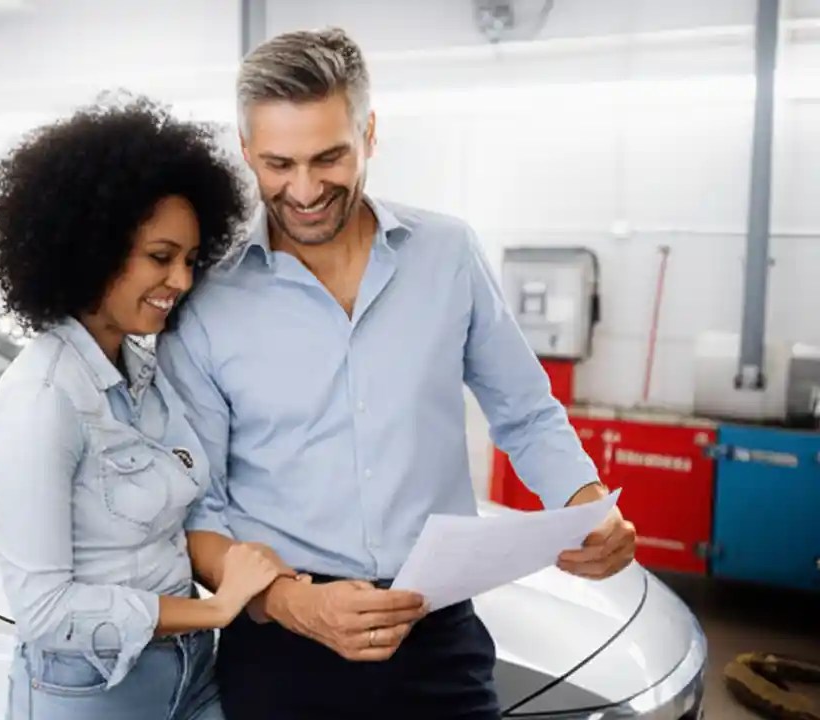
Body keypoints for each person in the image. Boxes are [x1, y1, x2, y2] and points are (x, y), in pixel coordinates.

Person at [156, 28, 640, 719]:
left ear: (370, 133)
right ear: (245, 152)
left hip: (437, 633)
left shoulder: (447, 254)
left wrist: (588, 503)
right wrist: (292, 602)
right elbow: (200, 508)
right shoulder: (207, 299)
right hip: (281, 647)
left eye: (329, 157)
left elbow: (526, 412)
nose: (303, 189)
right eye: (277, 164)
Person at [0, 96, 293, 720]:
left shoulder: (145, 371)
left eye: (190, 260)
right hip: (94, 692)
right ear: (92, 247)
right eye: (160, 256)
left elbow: (190, 506)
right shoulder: (41, 401)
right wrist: (218, 608)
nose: (181, 280)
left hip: (192, 673)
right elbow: (43, 611)